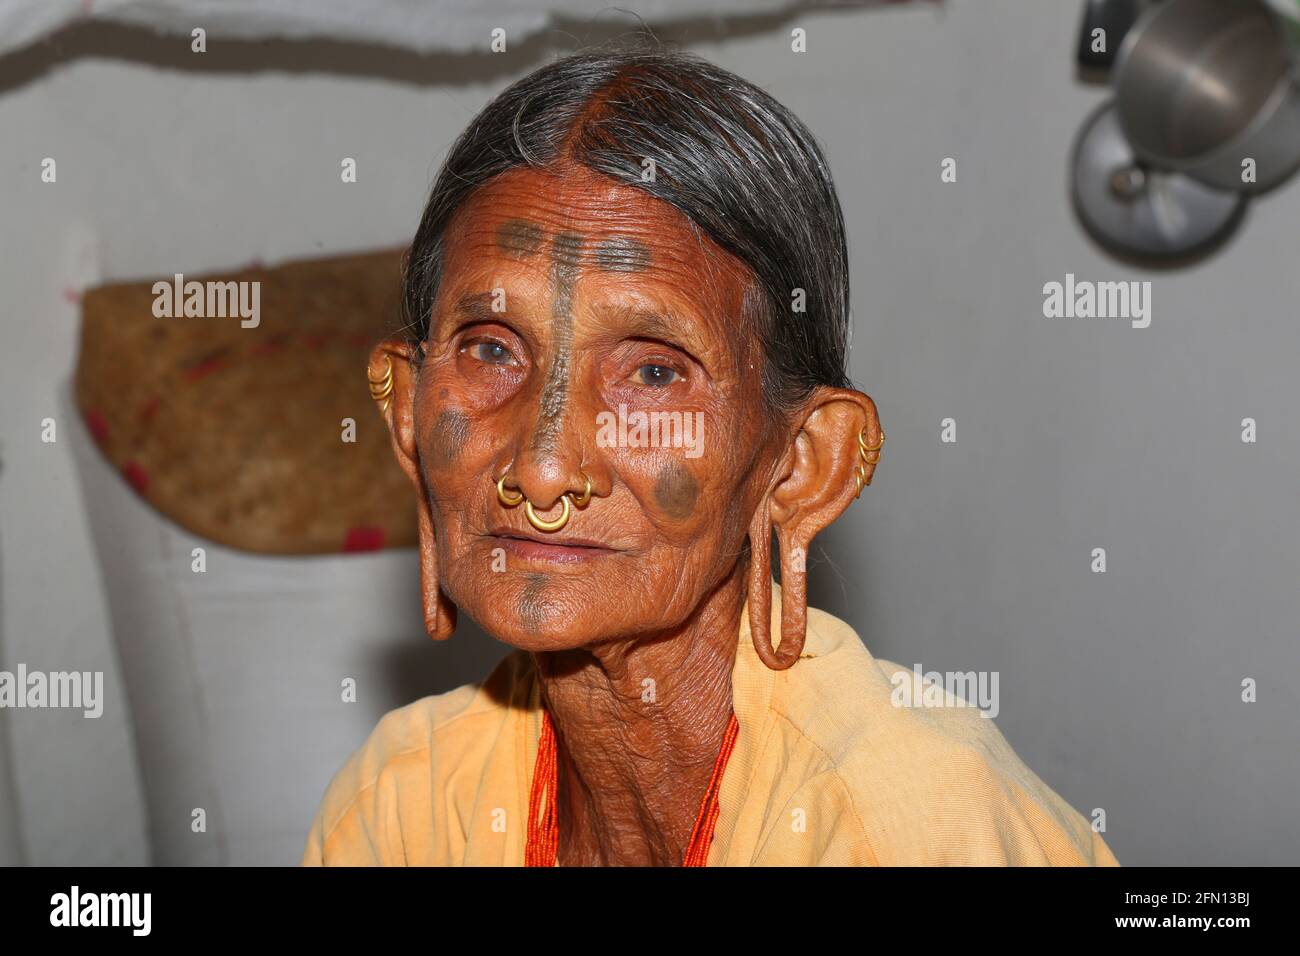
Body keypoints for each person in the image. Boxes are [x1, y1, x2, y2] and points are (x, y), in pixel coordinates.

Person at [302, 40, 1119, 867]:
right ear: (408, 413)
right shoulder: (405, 805)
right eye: (489, 351)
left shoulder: (911, 831)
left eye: (653, 372)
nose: (543, 469)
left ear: (804, 464)